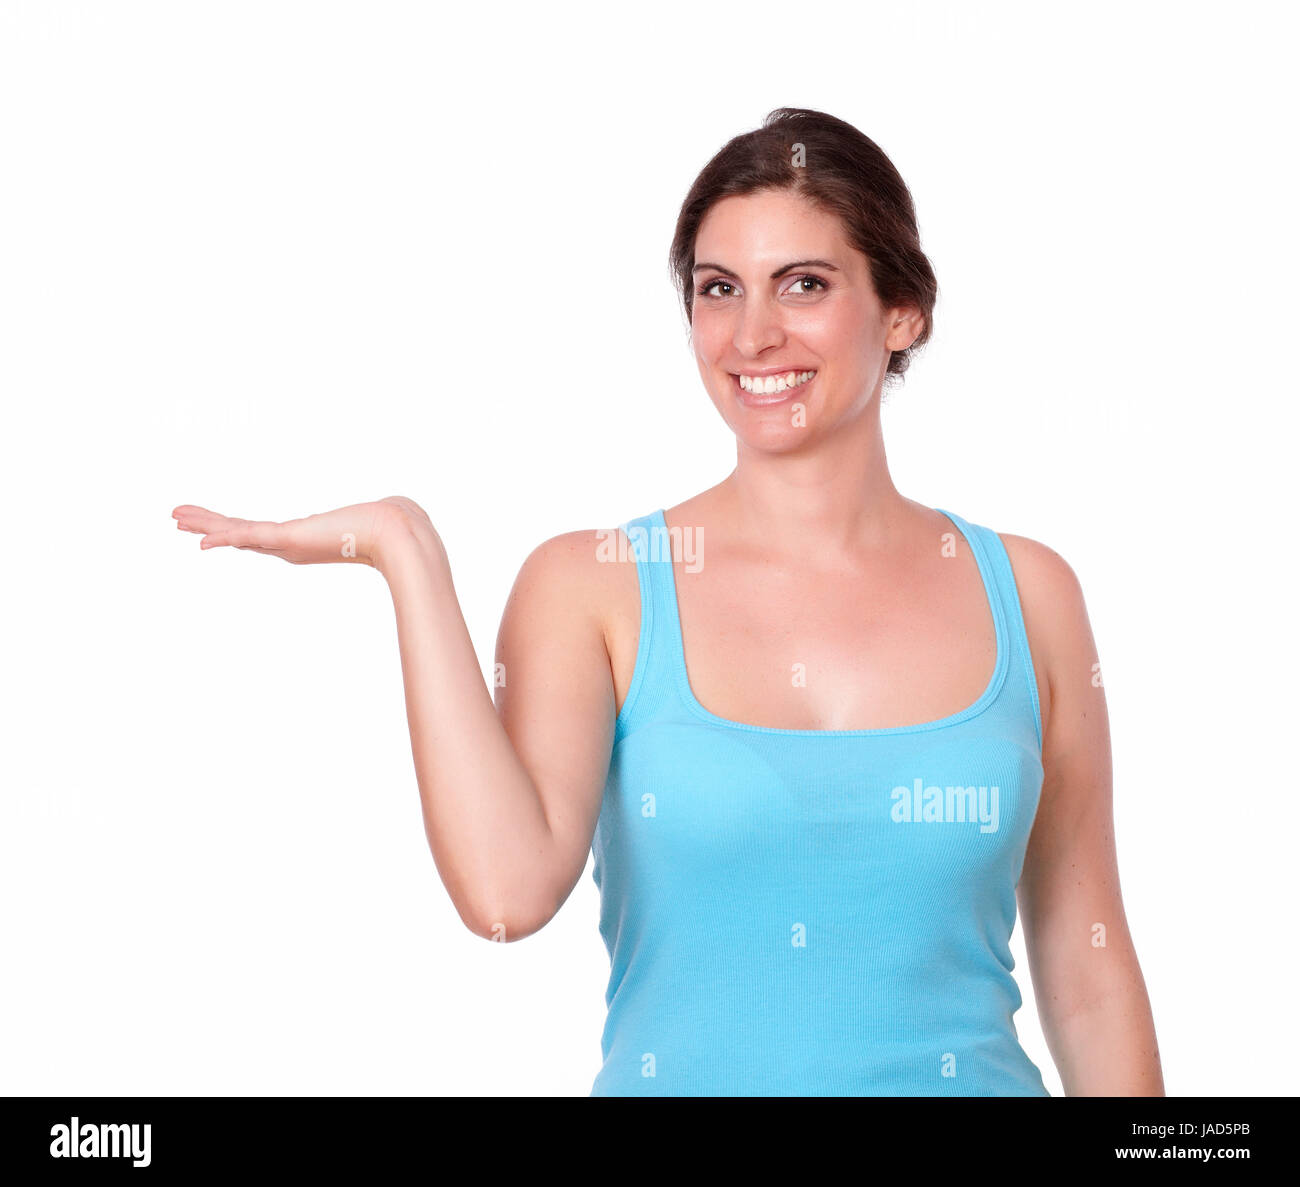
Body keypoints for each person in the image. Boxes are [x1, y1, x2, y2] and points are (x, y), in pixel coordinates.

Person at [172, 108, 1163, 1096]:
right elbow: (504, 893)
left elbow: (1088, 972)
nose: (751, 333)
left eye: (804, 285)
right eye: (717, 289)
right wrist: (406, 550)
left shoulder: (1028, 591)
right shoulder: (593, 584)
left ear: (902, 311)